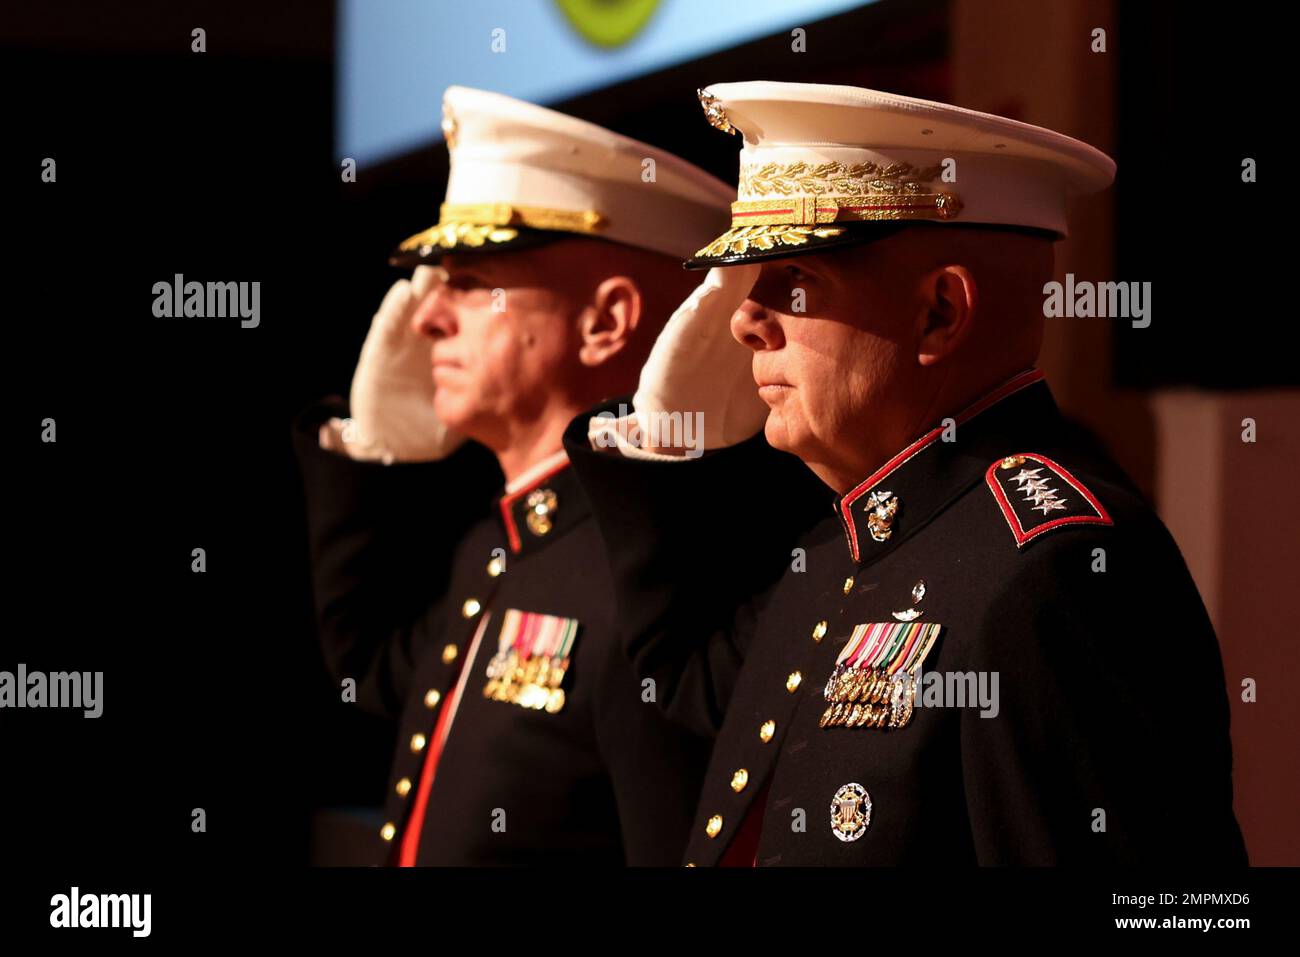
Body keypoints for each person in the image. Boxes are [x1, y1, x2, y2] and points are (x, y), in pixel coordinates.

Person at [565, 81, 1247, 865]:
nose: (746, 320)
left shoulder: (1056, 568)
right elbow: (681, 678)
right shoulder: (842, 541)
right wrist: (657, 429)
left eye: (794, 283)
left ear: (940, 314)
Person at [293, 86, 795, 865]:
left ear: (606, 322)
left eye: (466, 281)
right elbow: (370, 669)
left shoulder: (655, 582)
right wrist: (368, 444)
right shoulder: (504, 543)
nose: (425, 316)